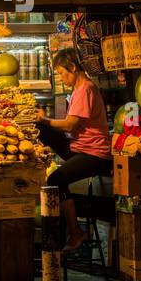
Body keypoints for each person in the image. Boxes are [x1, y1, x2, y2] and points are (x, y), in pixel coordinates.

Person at [37, 48, 113, 251]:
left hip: (94, 154)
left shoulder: (85, 89)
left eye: (62, 73)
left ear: (72, 68)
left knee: (55, 180)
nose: (61, 78)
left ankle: (75, 232)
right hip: (80, 147)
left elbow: (70, 125)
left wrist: (45, 119)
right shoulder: (80, 90)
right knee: (40, 129)